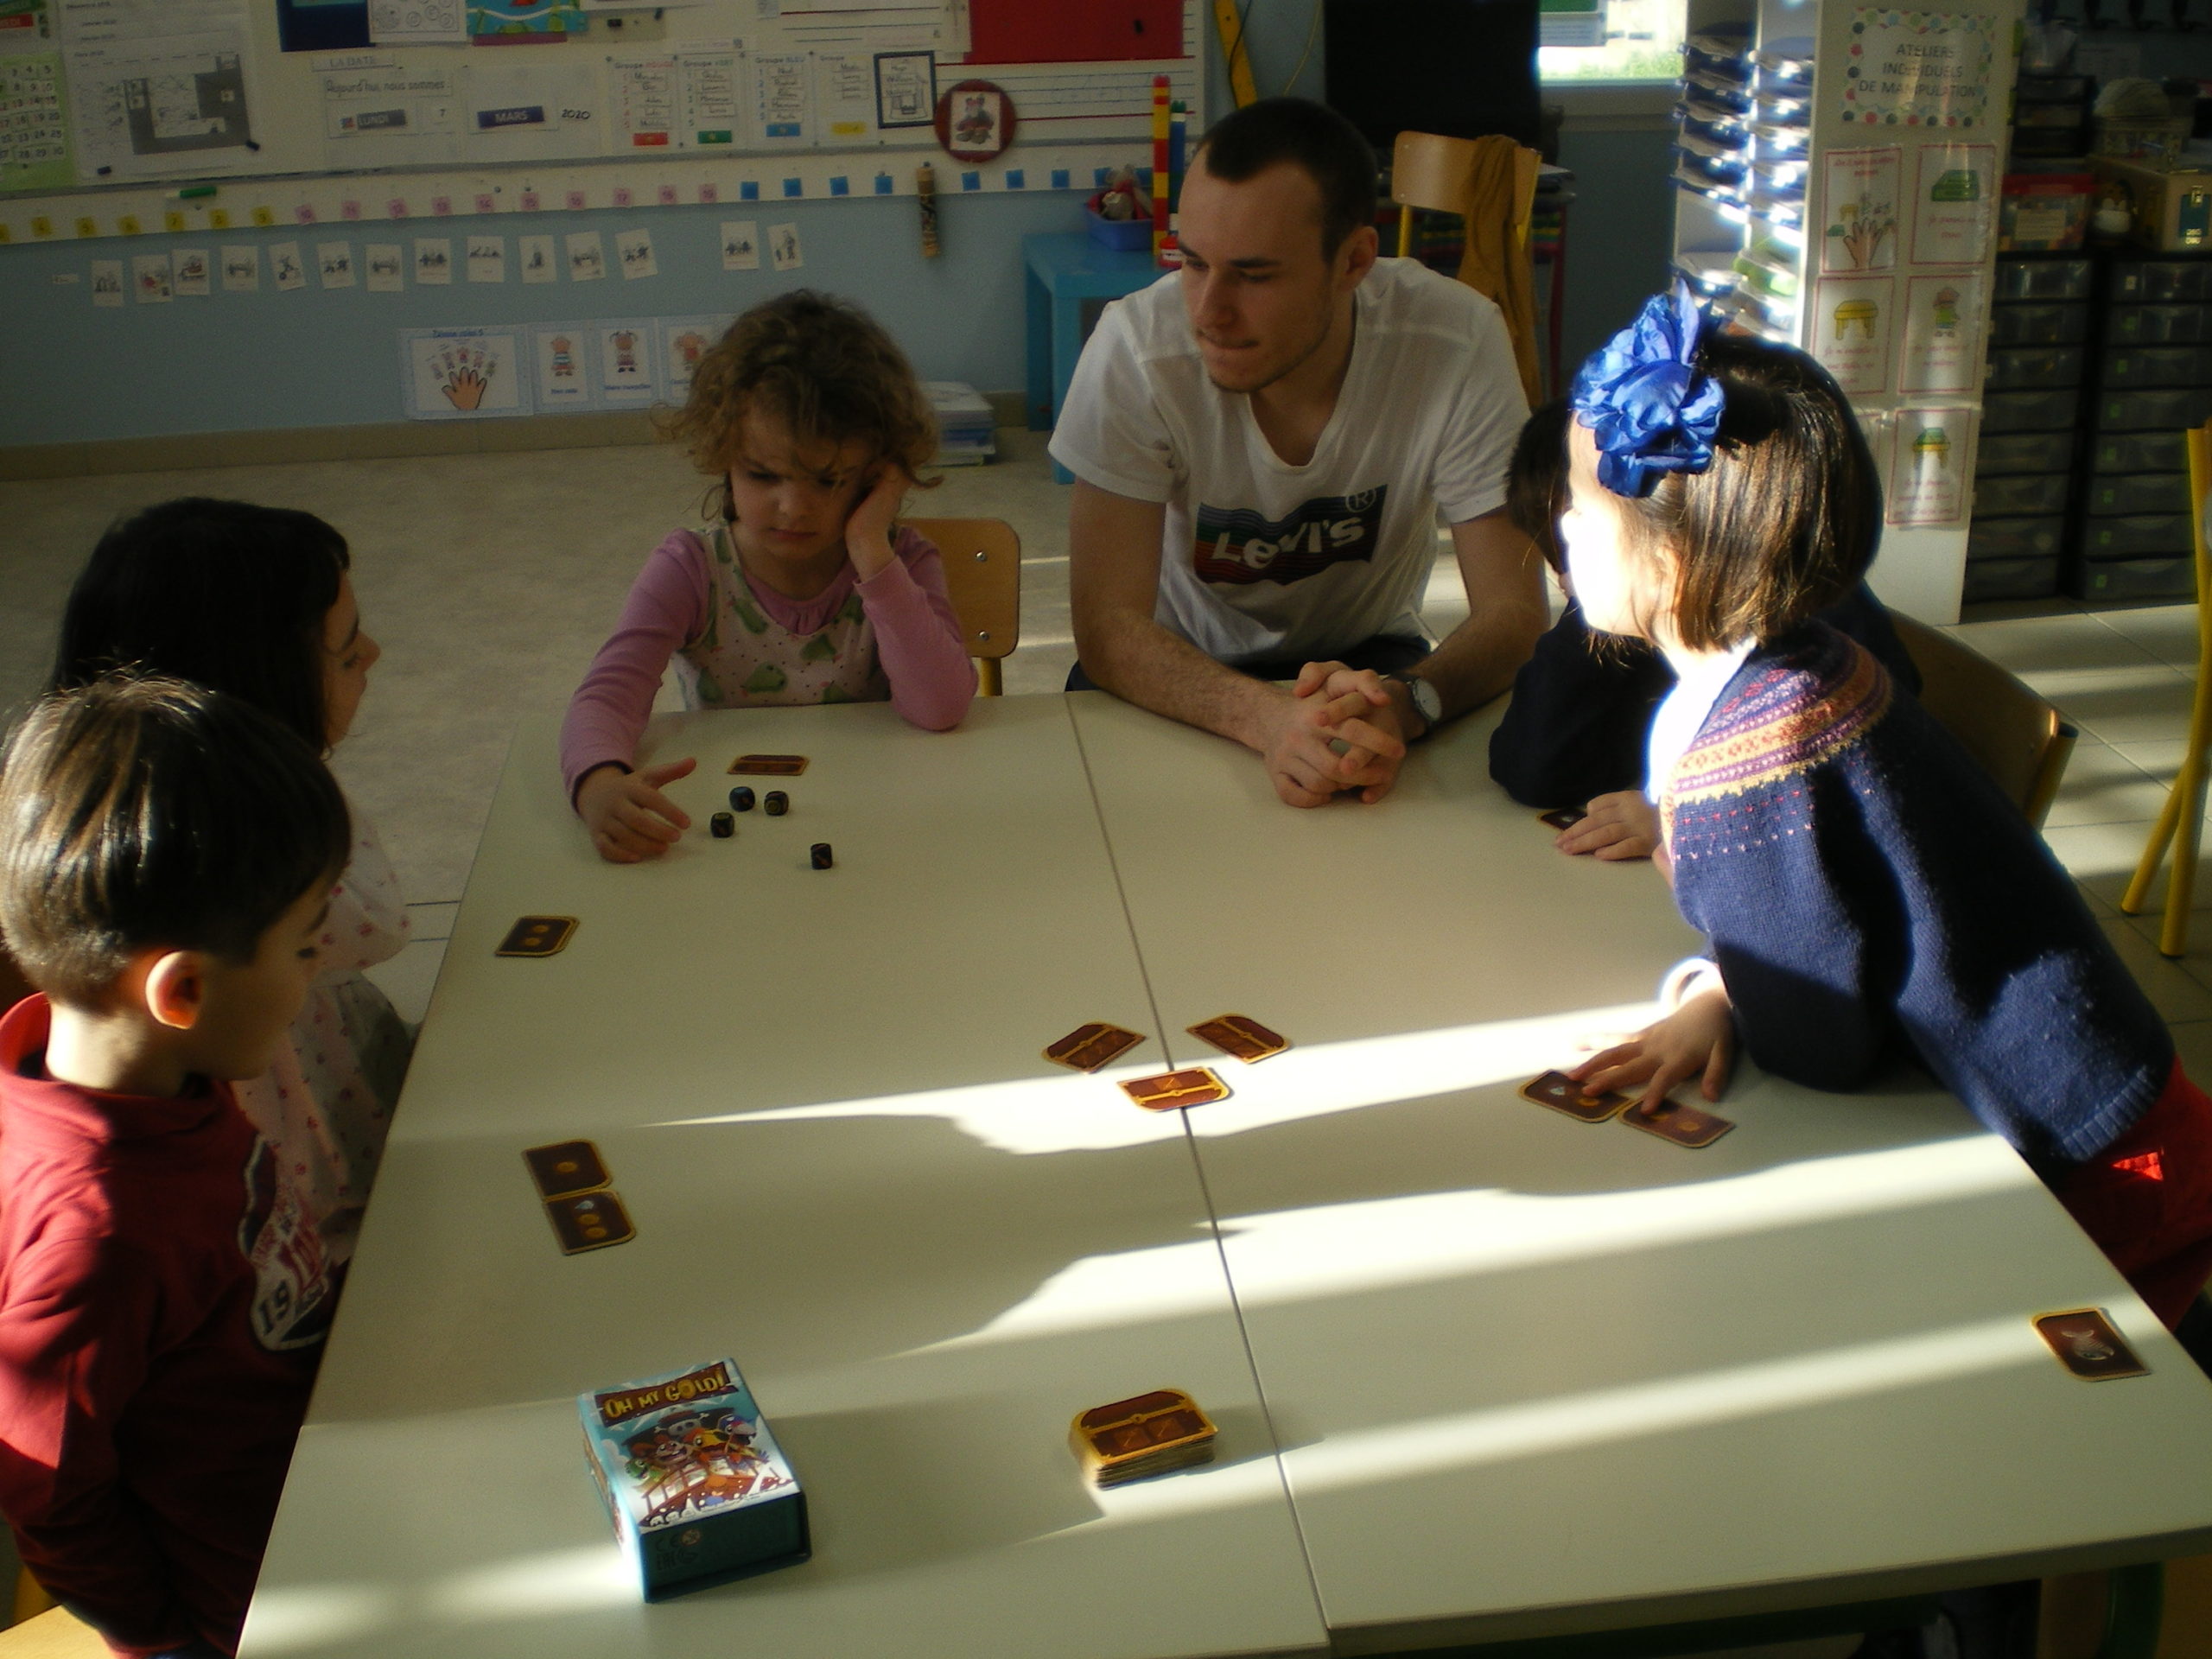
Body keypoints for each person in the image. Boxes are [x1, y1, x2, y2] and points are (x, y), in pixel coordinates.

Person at [1561, 289, 2212, 1332]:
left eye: (1575, 507)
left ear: (1670, 566)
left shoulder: (1747, 763)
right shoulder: (1798, 663)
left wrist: (1709, 988)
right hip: (2121, 1092)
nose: (1557, 526)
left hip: (2095, 1162)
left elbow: (1819, 1039)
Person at [1052, 96, 1547, 809]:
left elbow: (1515, 615)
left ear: (1354, 262)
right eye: (1193, 263)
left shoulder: (1456, 339)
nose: (1208, 313)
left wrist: (1407, 704)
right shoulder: (1135, 348)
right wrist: (1266, 719)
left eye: (1253, 276)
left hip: (1373, 662)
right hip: (1175, 663)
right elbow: (1106, 630)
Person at [0, 675, 348, 1659]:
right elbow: (49, 1487)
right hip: (258, 1596)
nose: (316, 969)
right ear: (185, 987)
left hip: (318, 1457)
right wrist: (167, 1641)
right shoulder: (96, 1235)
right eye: (306, 944)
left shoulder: (152, 1074)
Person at [52, 499, 409, 1268]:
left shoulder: (89, 809)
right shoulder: (258, 845)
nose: (373, 653)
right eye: (346, 654)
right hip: (308, 1195)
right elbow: (378, 923)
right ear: (260, 697)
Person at [563, 289, 976, 862]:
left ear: (879, 475)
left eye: (827, 481)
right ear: (722, 458)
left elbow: (942, 708)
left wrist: (870, 551)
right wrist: (598, 782)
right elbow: (608, 696)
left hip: (880, 829)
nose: (792, 507)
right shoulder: (690, 570)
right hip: (737, 837)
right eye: (762, 475)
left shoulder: (902, 562)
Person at [1488, 398, 1922, 861]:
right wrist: (1591, 616)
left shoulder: (1807, 634)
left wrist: (1686, 817)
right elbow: (1536, 770)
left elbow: (1877, 785)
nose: (1568, 542)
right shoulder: (1653, 628)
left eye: (1587, 520)